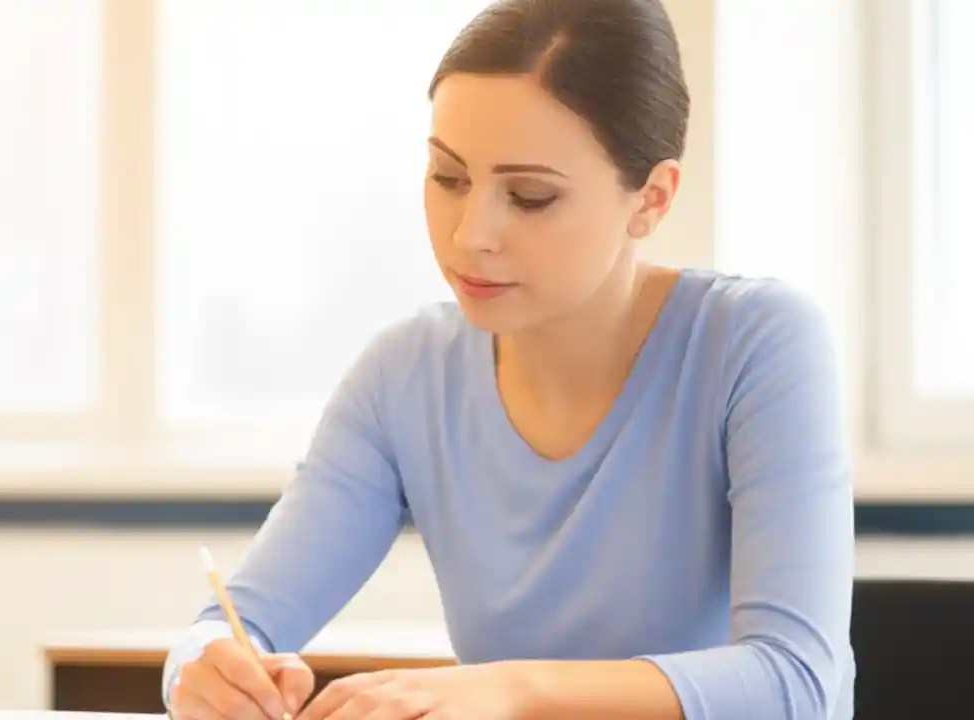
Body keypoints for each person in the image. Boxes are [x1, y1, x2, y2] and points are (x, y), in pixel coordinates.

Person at [163, 0, 855, 717]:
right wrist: (200, 667)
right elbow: (234, 622)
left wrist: (507, 686)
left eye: (529, 196)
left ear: (650, 199)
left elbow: (794, 682)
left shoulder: (756, 343)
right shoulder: (404, 376)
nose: (470, 236)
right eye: (448, 178)